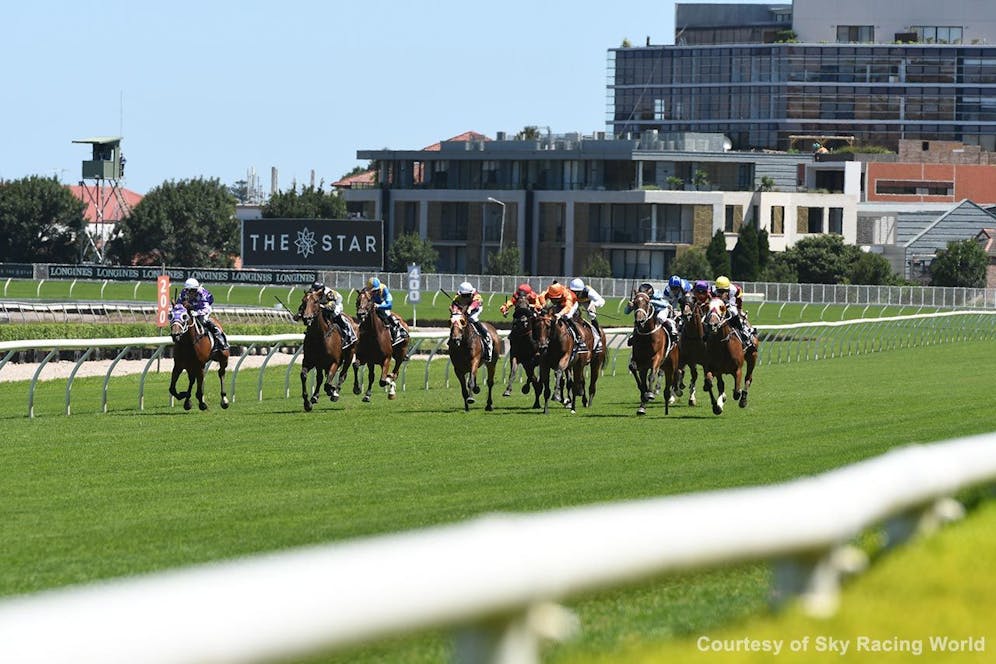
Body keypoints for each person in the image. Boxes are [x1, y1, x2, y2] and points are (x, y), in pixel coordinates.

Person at [296, 281, 356, 348]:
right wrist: (299, 313)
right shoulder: (312, 292)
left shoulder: (329, 293)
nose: (314, 292)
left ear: (321, 290)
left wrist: (321, 306)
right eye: (313, 290)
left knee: (336, 315)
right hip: (322, 305)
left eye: (316, 290)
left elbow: (331, 307)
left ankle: (346, 333)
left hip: (335, 304)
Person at [178, 278, 228, 350]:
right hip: (191, 308)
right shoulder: (183, 293)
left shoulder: (202, 294)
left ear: (196, 289)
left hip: (203, 308)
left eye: (193, 290)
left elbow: (206, 309)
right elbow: (178, 305)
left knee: (204, 320)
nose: (190, 293)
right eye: (188, 291)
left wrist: (197, 312)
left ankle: (219, 337)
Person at [537, 281, 586, 351]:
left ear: (561, 294)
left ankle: (579, 337)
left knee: (567, 316)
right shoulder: (550, 290)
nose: (553, 300)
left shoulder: (568, 295)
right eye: (552, 298)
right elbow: (541, 296)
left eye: (556, 298)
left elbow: (568, 307)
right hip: (559, 304)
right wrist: (543, 305)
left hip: (572, 304)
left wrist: (560, 314)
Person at [451, 281, 493, 361]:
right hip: (464, 308)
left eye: (467, 295)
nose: (466, 297)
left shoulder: (476, 295)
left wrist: (470, 308)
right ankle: (453, 337)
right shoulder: (457, 296)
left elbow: (476, 303)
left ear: (471, 293)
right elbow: (454, 305)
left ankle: (486, 335)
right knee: (455, 319)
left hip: (476, 308)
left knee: (472, 318)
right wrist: (455, 311)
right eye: (464, 295)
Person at [712, 275, 756, 349]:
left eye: (724, 291)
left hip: (730, 303)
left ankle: (743, 333)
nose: (721, 294)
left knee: (733, 311)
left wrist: (740, 312)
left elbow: (738, 302)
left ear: (728, 289)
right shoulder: (712, 290)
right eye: (719, 291)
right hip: (717, 305)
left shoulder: (735, 290)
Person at [366, 276, 407, 345]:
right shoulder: (367, 290)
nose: (373, 293)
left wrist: (379, 306)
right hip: (374, 303)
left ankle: (397, 328)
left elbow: (389, 306)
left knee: (386, 312)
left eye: (375, 291)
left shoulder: (384, 290)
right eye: (372, 291)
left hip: (383, 302)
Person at [568, 277, 605, 352]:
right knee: (569, 314)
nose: (575, 294)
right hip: (576, 302)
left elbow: (602, 301)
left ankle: (598, 338)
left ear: (581, 290)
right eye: (573, 292)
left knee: (592, 315)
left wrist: (594, 304)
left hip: (588, 301)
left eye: (577, 292)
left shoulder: (589, 292)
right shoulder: (568, 292)